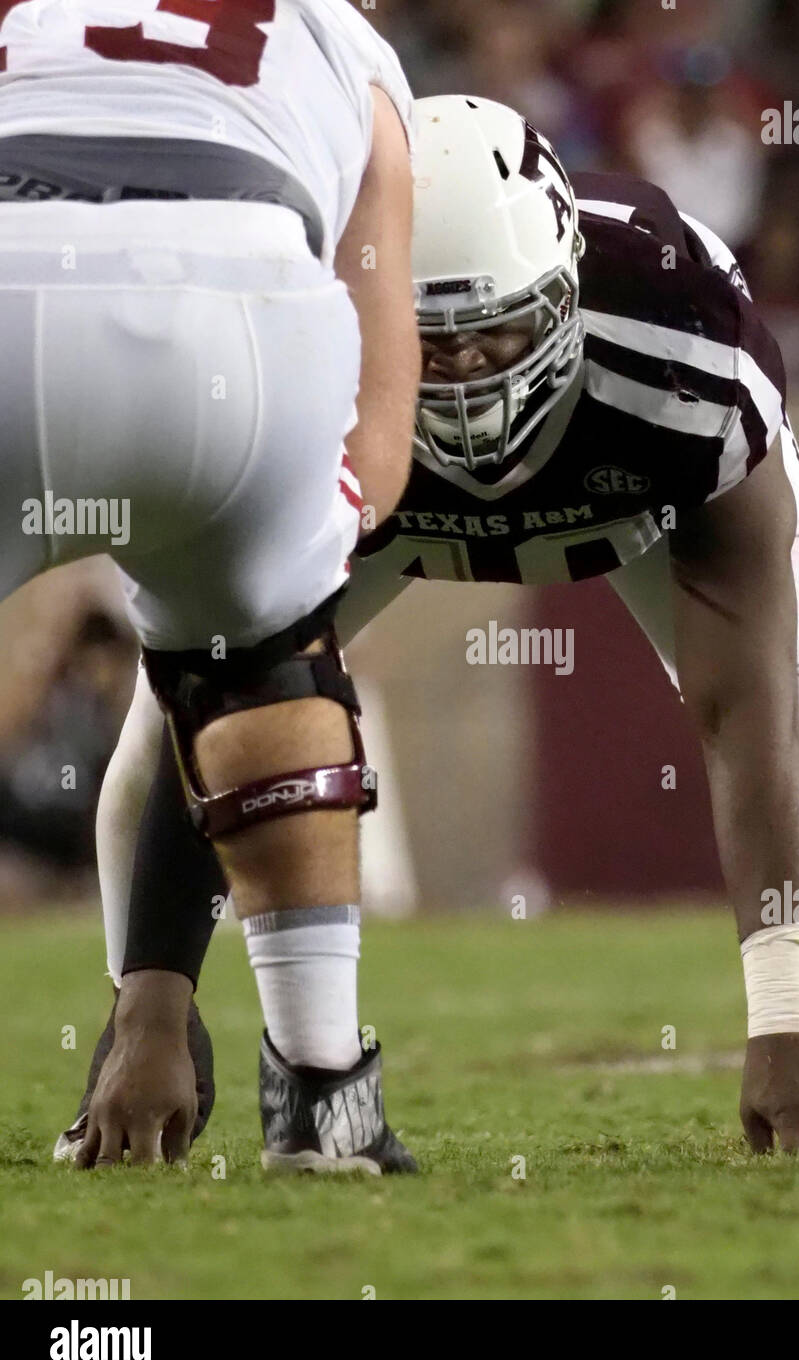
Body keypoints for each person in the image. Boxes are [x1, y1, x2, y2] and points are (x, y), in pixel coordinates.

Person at [64, 94, 799, 1162]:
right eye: (431, 343)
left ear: (566, 293)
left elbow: (744, 717)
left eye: (495, 331)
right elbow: (210, 693)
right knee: (171, 727)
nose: (468, 376)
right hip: (384, 495)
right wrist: (152, 1008)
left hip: (625, 498)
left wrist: (785, 1017)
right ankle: (140, 1022)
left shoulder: (678, 343)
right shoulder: (293, 362)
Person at [0, 0, 419, 1171]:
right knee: (267, 668)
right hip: (231, 295)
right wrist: (292, 562)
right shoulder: (339, 39)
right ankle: (323, 1094)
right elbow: (382, 390)